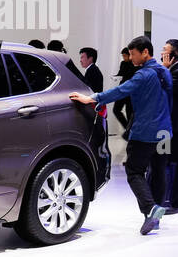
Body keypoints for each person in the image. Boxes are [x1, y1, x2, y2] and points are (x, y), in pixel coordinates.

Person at [69, 34, 172, 235]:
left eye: (133, 54)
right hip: (164, 133)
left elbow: (120, 91)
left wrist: (92, 98)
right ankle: (156, 214)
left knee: (134, 171)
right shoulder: (164, 72)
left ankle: (151, 209)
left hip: (145, 133)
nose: (131, 59)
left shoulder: (143, 75)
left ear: (145, 52)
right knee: (159, 172)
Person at [160, 38, 178, 213]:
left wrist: (163, 70)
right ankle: (164, 198)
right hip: (165, 125)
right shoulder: (171, 71)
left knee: (174, 163)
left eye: (166, 50)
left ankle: (175, 202)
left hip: (174, 127)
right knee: (163, 161)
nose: (162, 52)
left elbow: (166, 89)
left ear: (175, 53)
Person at [113, 46, 136, 137]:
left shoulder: (134, 64)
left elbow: (132, 77)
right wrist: (115, 77)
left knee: (129, 111)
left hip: (130, 92)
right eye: (123, 56)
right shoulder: (123, 63)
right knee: (116, 110)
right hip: (122, 90)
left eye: (125, 56)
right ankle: (128, 128)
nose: (124, 58)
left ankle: (130, 132)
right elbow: (120, 74)